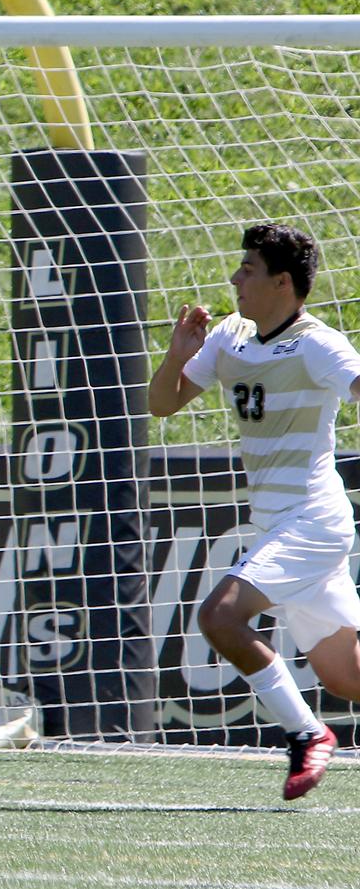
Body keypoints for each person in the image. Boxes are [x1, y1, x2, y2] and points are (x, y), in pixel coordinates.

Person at [150, 223, 360, 800]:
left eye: (248, 269)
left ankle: (307, 734)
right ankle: (311, 729)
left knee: (220, 618)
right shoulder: (229, 336)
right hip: (278, 526)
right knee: (347, 677)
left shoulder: (317, 343)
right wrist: (177, 356)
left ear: (282, 282)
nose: (235, 278)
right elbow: (162, 404)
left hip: (311, 521)